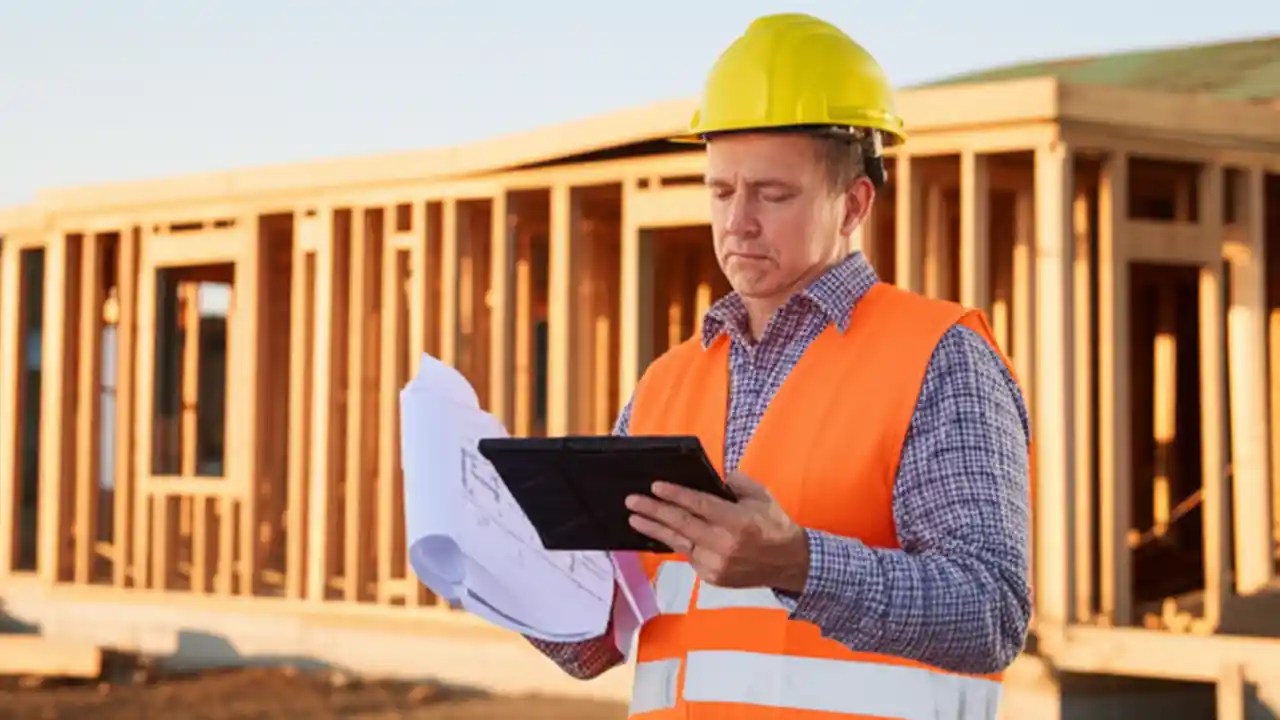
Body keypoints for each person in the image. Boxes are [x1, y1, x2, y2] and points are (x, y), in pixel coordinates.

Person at [526, 12, 1032, 719]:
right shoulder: (666, 382)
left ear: (852, 204)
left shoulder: (940, 357)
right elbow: (596, 644)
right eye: (721, 191)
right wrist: (500, 569)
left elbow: (991, 614)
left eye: (772, 194)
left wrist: (800, 563)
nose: (738, 221)